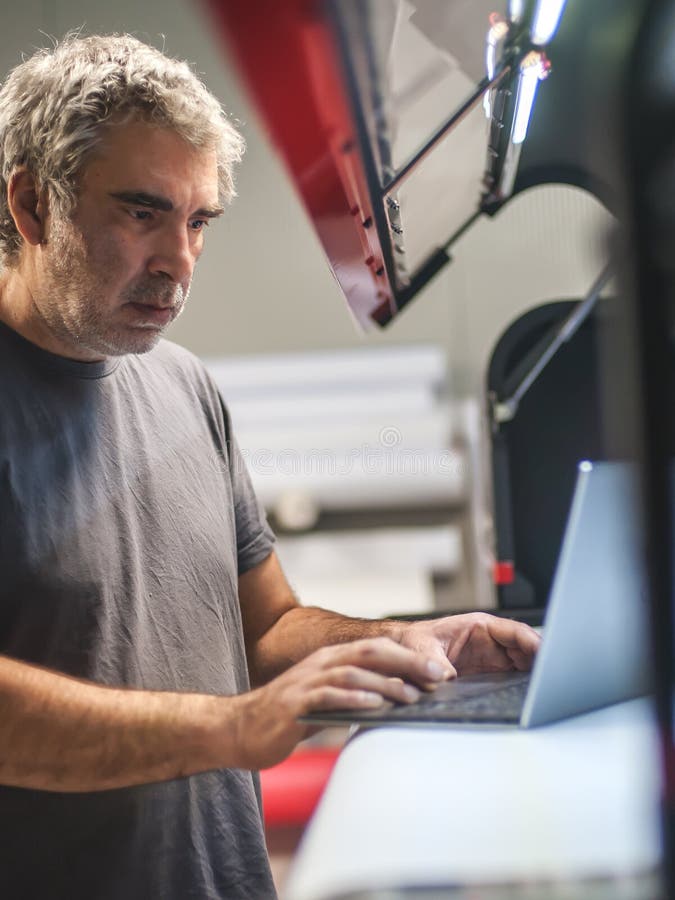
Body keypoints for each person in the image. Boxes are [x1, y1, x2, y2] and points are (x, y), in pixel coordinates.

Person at [0, 34, 540, 900]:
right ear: (33, 206)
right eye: (141, 213)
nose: (178, 261)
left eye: (198, 222)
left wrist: (394, 645)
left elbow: (263, 631)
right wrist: (230, 728)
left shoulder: (182, 386)